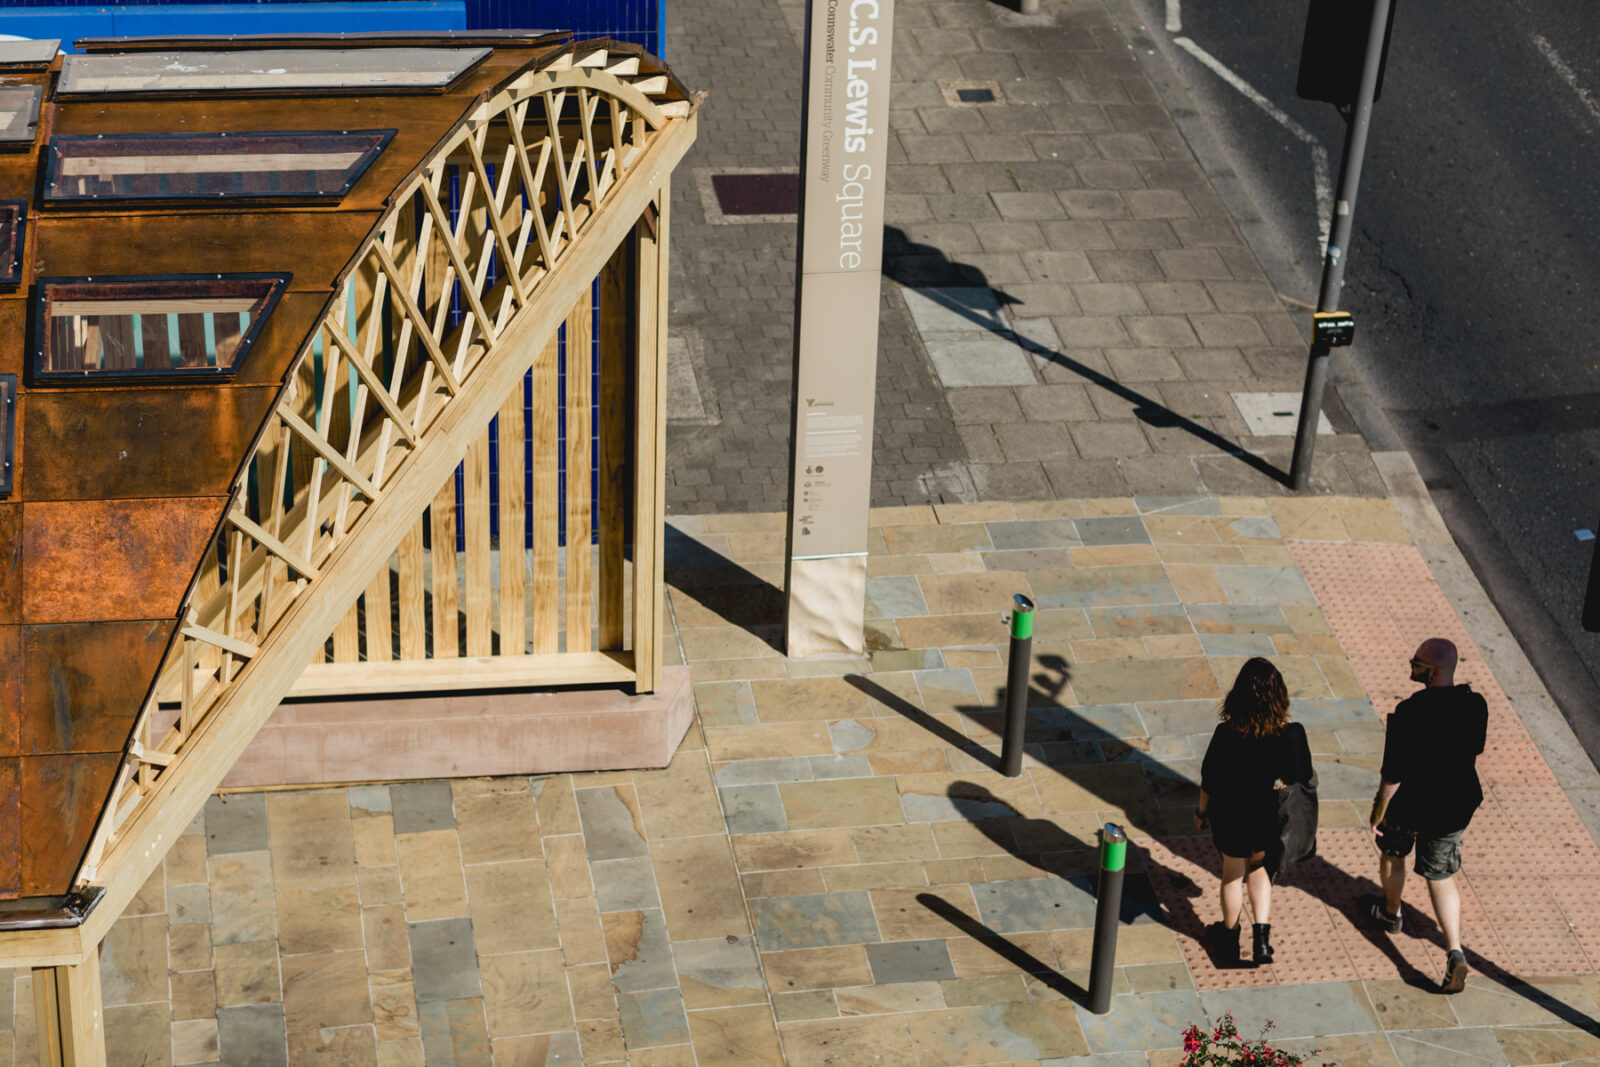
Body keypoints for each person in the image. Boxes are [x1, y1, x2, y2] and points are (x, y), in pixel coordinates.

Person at [1364, 637, 1488, 994]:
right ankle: (1454, 950)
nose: (1410, 665)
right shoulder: (1475, 705)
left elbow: (1393, 773)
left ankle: (1391, 912)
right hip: (1455, 804)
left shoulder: (1410, 711)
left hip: (1411, 803)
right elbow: (1474, 748)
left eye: (1415, 662)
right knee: (1441, 875)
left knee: (1392, 853)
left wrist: (1378, 811)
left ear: (1431, 672)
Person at [1194, 657, 1315, 966]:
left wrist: (1201, 812)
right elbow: (1300, 777)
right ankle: (1261, 939)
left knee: (1232, 875)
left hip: (1231, 814)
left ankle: (1229, 937)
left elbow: (1209, 779)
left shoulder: (1226, 733)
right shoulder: (1291, 735)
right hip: (1268, 817)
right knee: (1260, 870)